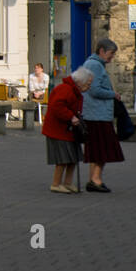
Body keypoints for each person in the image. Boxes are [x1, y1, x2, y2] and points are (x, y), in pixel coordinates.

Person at [78, 38, 123, 193]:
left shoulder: (93, 64)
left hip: (96, 113)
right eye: (111, 54)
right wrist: (113, 94)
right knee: (103, 149)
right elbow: (94, 89)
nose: (112, 58)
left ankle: (94, 179)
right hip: (97, 114)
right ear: (102, 51)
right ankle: (95, 179)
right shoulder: (95, 65)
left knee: (97, 148)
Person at [42, 65, 92, 193]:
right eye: (88, 83)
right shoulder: (66, 89)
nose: (89, 86)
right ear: (79, 82)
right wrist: (71, 117)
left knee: (73, 158)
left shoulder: (73, 90)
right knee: (63, 159)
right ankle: (56, 183)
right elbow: (56, 106)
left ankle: (67, 183)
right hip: (58, 130)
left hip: (68, 130)